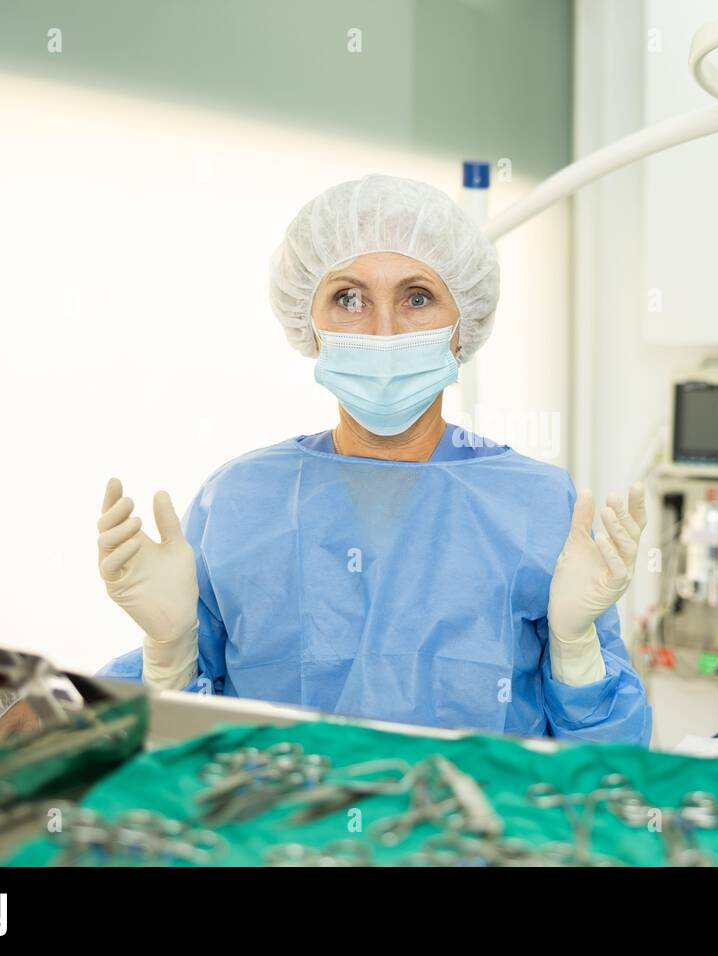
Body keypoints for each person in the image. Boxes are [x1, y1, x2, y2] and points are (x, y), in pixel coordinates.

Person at [95, 174, 650, 744]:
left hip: (473, 830)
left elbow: (603, 769)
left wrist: (576, 650)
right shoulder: (241, 501)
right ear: (309, 323)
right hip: (282, 827)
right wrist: (168, 654)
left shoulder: (537, 505)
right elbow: (171, 754)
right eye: (349, 298)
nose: (384, 332)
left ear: (463, 328)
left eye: (417, 297)